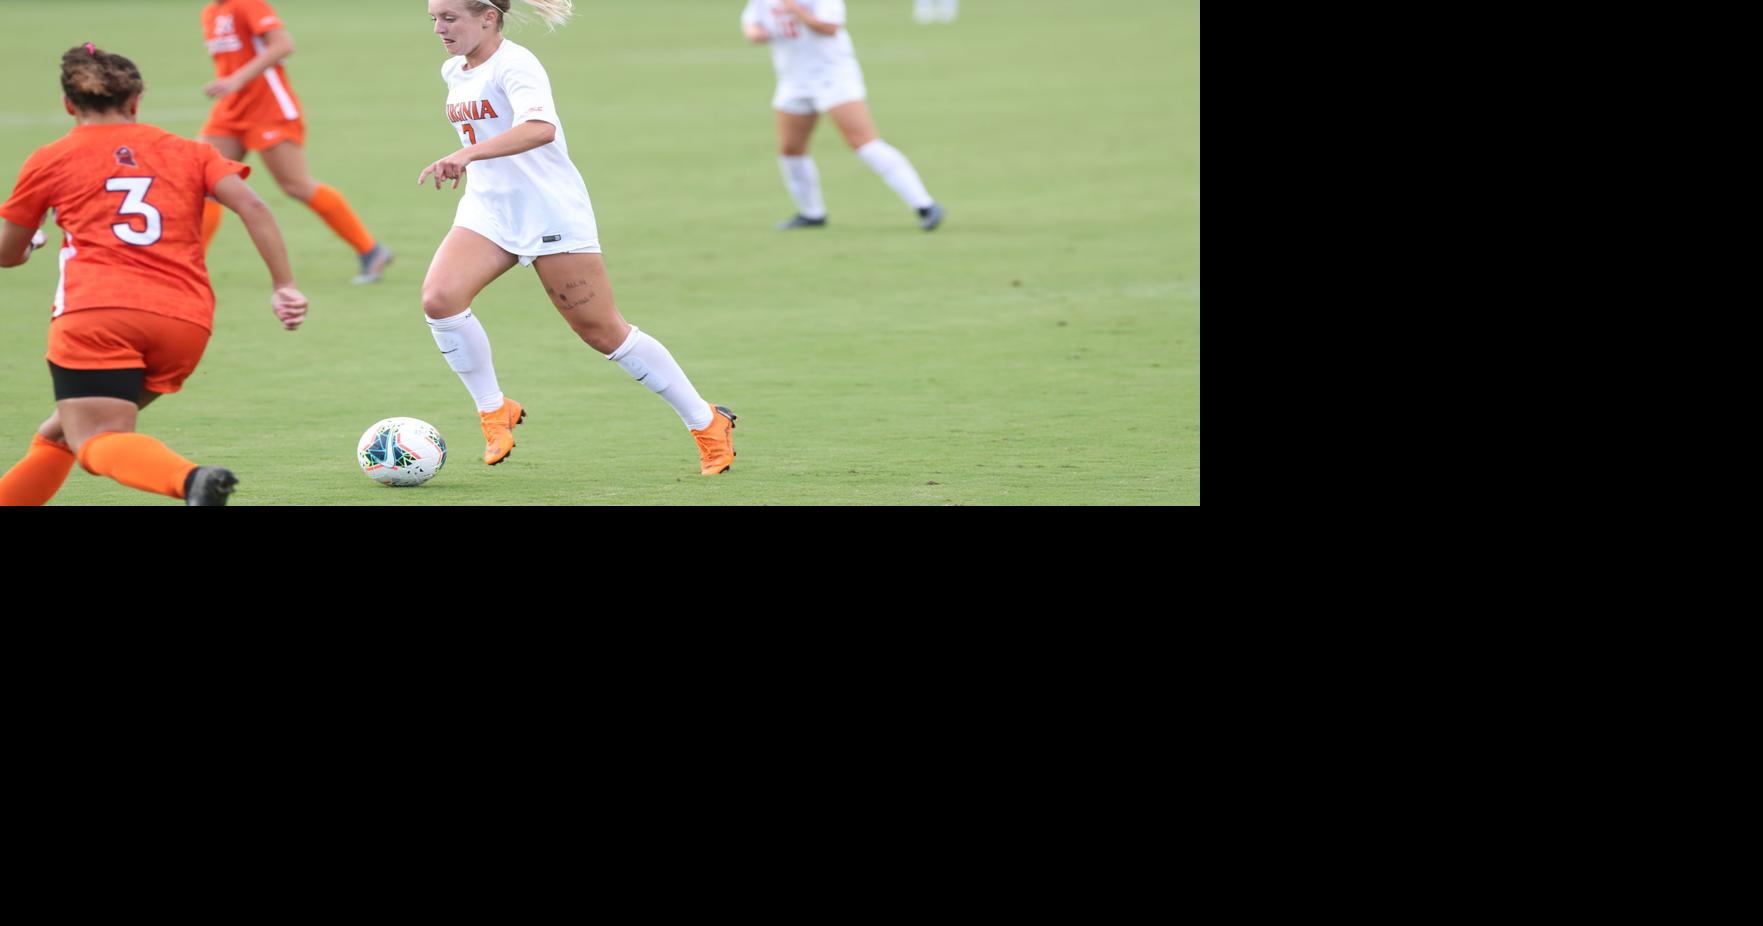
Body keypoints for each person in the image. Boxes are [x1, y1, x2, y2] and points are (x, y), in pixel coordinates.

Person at [419, 0, 737, 473]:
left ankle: (706, 422)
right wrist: (474, 161)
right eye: (434, 20)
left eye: (450, 18)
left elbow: (540, 129)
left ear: (488, 17)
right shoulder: (454, 70)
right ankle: (493, 411)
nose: (439, 29)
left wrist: (467, 156)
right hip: (489, 210)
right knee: (440, 300)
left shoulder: (517, 63)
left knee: (602, 331)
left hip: (548, 210)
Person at [0, 44, 308, 506]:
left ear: (68, 104)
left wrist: (31, 244)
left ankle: (190, 481)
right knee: (59, 435)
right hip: (183, 323)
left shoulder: (50, 158)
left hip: (96, 318)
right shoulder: (190, 151)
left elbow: (7, 253)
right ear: (135, 100)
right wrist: (284, 285)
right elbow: (254, 206)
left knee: (96, 439)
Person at [199, 0, 393, 283]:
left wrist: (237, 79)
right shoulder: (210, 12)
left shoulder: (247, 4)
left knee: (296, 185)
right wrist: (232, 84)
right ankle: (188, 266)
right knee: (204, 182)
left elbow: (282, 44)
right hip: (230, 110)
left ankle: (371, 250)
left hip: (269, 108)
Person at [742, 0, 945, 231]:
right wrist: (756, 34)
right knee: (791, 149)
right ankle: (812, 214)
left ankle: (925, 205)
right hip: (793, 80)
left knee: (863, 142)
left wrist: (796, 9)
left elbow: (829, 27)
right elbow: (751, 24)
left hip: (833, 76)